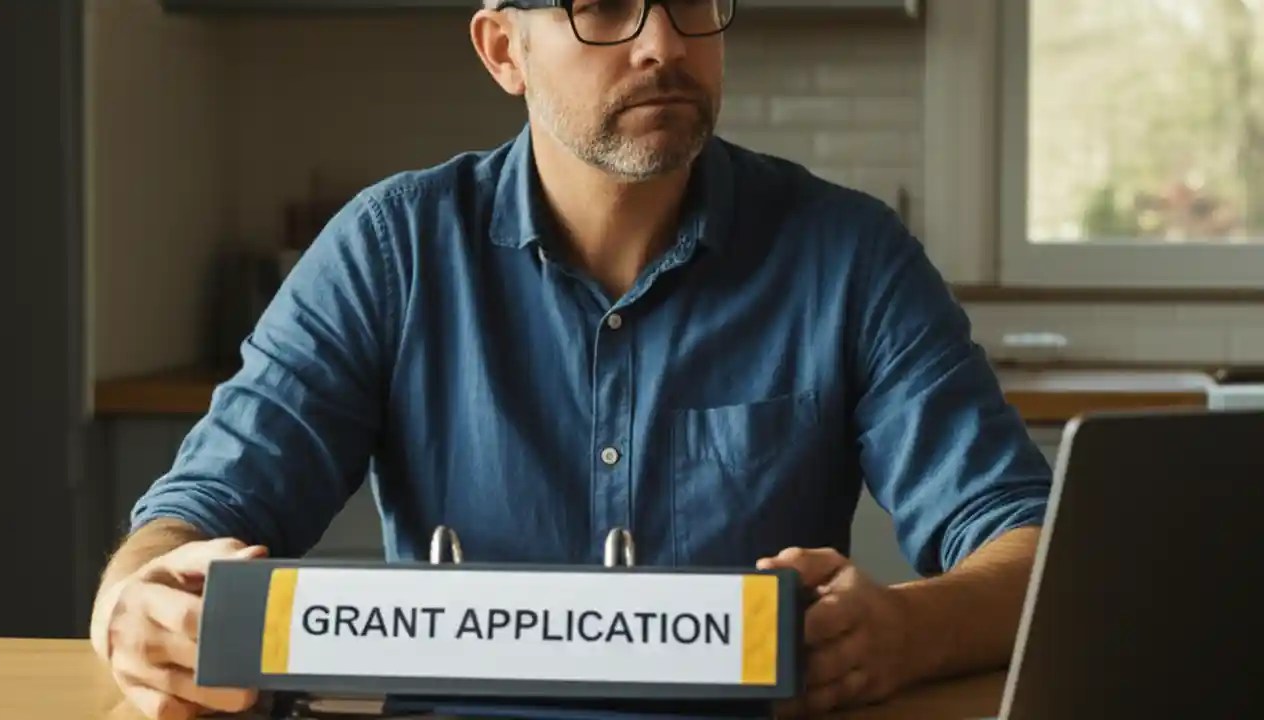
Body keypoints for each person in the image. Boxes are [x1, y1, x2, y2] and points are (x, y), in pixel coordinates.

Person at [89, 0, 1052, 718]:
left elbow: (1028, 542)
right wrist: (138, 609)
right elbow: (191, 521)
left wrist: (907, 631)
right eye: (599, 7)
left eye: (694, 5)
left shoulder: (849, 256)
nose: (664, 43)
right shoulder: (392, 249)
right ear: (504, 48)